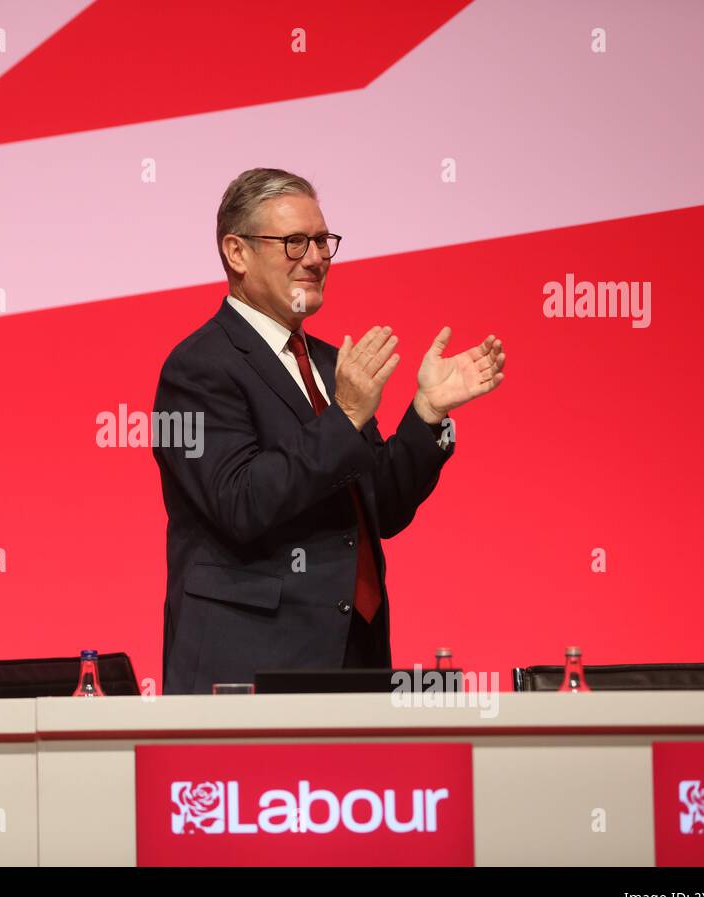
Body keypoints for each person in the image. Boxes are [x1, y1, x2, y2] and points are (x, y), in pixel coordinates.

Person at [152, 168, 505, 693]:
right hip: (247, 666)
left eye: (322, 241)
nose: (316, 258)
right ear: (237, 252)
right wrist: (343, 417)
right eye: (295, 241)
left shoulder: (328, 362)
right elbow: (241, 503)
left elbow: (380, 508)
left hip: (351, 656)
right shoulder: (196, 368)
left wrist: (426, 414)